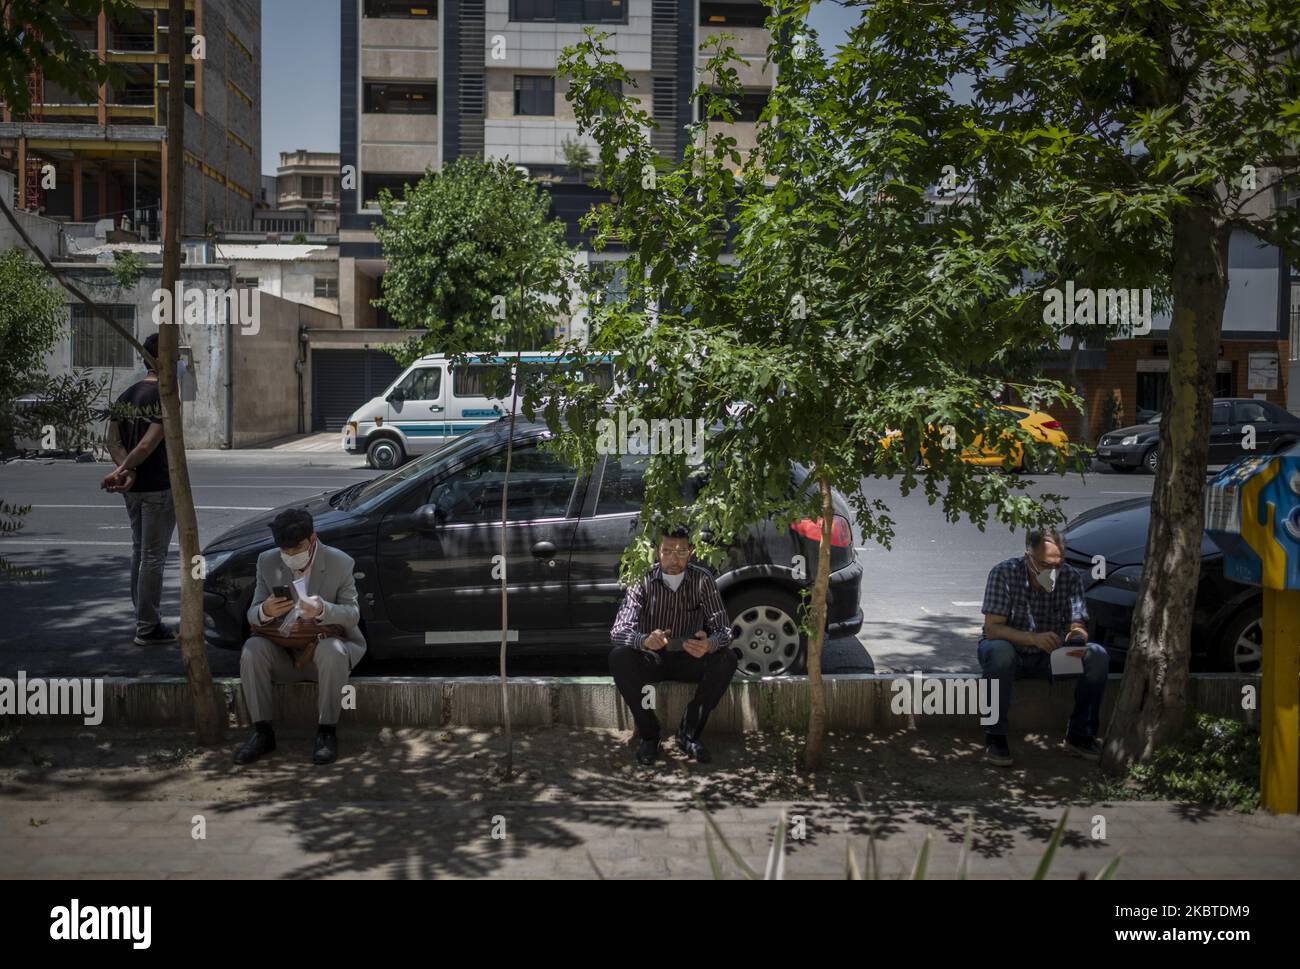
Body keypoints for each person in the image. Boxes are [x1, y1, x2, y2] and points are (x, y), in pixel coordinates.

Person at [234, 508, 366, 766]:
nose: (291, 556)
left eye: (297, 549)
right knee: (251, 648)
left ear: (312, 539)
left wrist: (322, 610)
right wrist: (264, 611)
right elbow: (252, 614)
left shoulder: (340, 562)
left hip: (322, 657)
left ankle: (327, 732)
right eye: (285, 551)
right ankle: (262, 732)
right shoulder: (267, 561)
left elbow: (353, 615)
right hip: (282, 653)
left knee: (334, 650)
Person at [978, 527, 1110, 766]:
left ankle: (1080, 735)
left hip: (1050, 658)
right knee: (998, 652)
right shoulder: (1004, 573)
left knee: (1097, 656)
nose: (1052, 571)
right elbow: (993, 629)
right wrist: (1033, 638)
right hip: (1013, 654)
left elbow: (1077, 623)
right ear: (1029, 556)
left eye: (1058, 564)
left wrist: (1076, 639)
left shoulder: (1069, 577)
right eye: (1046, 564)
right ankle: (995, 736)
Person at [609, 526, 737, 766]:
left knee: (727, 658)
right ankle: (650, 733)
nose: (674, 559)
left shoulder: (702, 579)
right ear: (658, 552)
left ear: (691, 552)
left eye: (681, 551)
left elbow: (725, 630)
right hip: (652, 658)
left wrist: (709, 644)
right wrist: (644, 639)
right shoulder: (643, 577)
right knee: (619, 657)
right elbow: (618, 630)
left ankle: (688, 733)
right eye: (667, 551)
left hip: (689, 656)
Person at [101, 332, 176, 646]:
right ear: (164, 358)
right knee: (152, 557)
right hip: (158, 486)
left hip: (133, 489)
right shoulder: (164, 395)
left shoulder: (126, 395)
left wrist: (125, 470)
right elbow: (149, 442)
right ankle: (147, 626)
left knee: (139, 552)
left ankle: (143, 617)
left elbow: (112, 441)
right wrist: (126, 468)